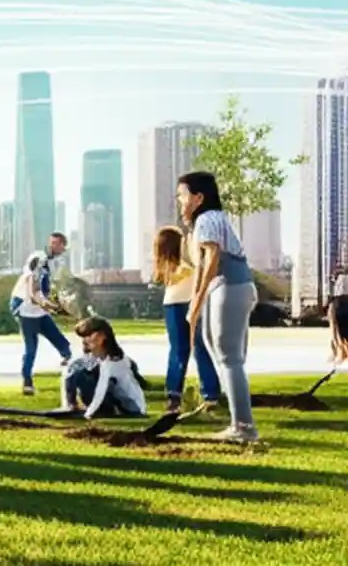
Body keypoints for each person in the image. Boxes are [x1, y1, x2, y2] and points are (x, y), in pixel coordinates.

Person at [178, 171, 259, 443]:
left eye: (183, 195)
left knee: (229, 357)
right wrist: (196, 302)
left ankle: (244, 427)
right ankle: (239, 422)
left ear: (198, 197)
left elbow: (211, 260)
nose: (180, 200)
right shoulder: (204, 221)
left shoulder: (207, 219)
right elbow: (201, 264)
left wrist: (197, 300)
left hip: (231, 286)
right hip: (226, 287)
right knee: (215, 347)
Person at [151, 225, 221, 413]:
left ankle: (174, 397)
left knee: (179, 351)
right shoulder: (183, 264)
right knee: (199, 348)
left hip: (173, 305)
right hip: (190, 303)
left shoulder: (168, 266)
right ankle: (211, 395)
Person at [8, 232, 73, 396]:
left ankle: (70, 369)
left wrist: (56, 304)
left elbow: (47, 290)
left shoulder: (56, 263)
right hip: (25, 308)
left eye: (59, 244)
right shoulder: (38, 260)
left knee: (61, 342)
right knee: (31, 348)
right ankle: (27, 382)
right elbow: (34, 292)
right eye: (54, 243)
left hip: (38, 310)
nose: (56, 246)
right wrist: (49, 305)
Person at [74, 316, 147, 419]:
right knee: (80, 371)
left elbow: (101, 390)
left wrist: (88, 414)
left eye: (89, 335)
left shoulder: (112, 362)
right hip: (122, 401)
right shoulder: (102, 357)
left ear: (102, 336)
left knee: (87, 377)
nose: (85, 340)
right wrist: (85, 352)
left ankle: (104, 411)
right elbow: (84, 366)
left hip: (134, 407)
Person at [329, 265, 348, 363]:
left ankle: (341, 353)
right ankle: (338, 352)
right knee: (337, 329)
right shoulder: (339, 280)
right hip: (338, 302)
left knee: (341, 330)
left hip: (342, 303)